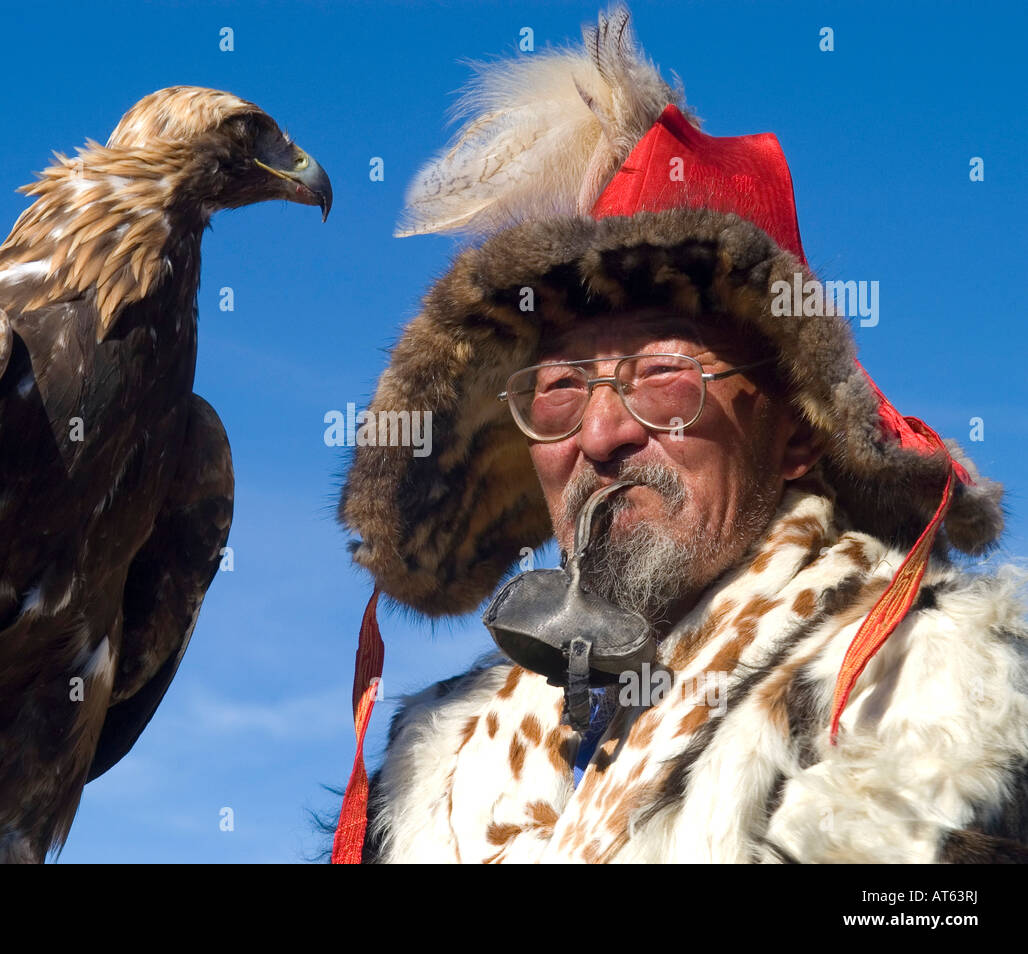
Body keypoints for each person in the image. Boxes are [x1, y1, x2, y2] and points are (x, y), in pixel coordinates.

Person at [333, 6, 1028, 863]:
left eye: (665, 377)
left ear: (798, 434)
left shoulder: (933, 697)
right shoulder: (432, 773)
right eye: (558, 389)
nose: (600, 431)